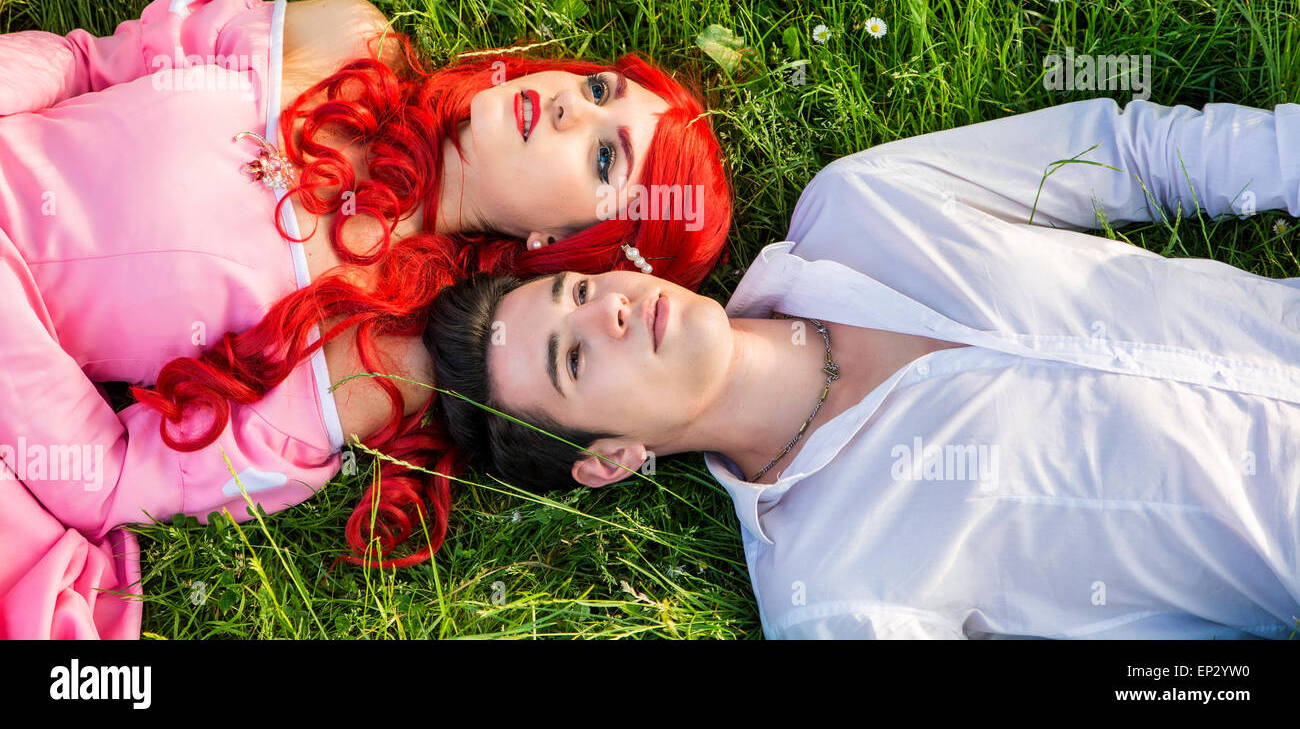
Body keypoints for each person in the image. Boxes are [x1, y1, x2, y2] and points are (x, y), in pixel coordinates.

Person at [0, 0, 731, 637]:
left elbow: (112, 477)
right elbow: (86, 62)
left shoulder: (371, 351)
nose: (575, 105)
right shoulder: (351, 42)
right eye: (601, 90)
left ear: (562, 246)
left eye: (606, 159)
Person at [427, 95, 1300, 639]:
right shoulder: (832, 593)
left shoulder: (859, 206)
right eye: (574, 357)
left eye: (579, 290)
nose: (609, 311)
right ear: (612, 459)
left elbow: (1127, 153)